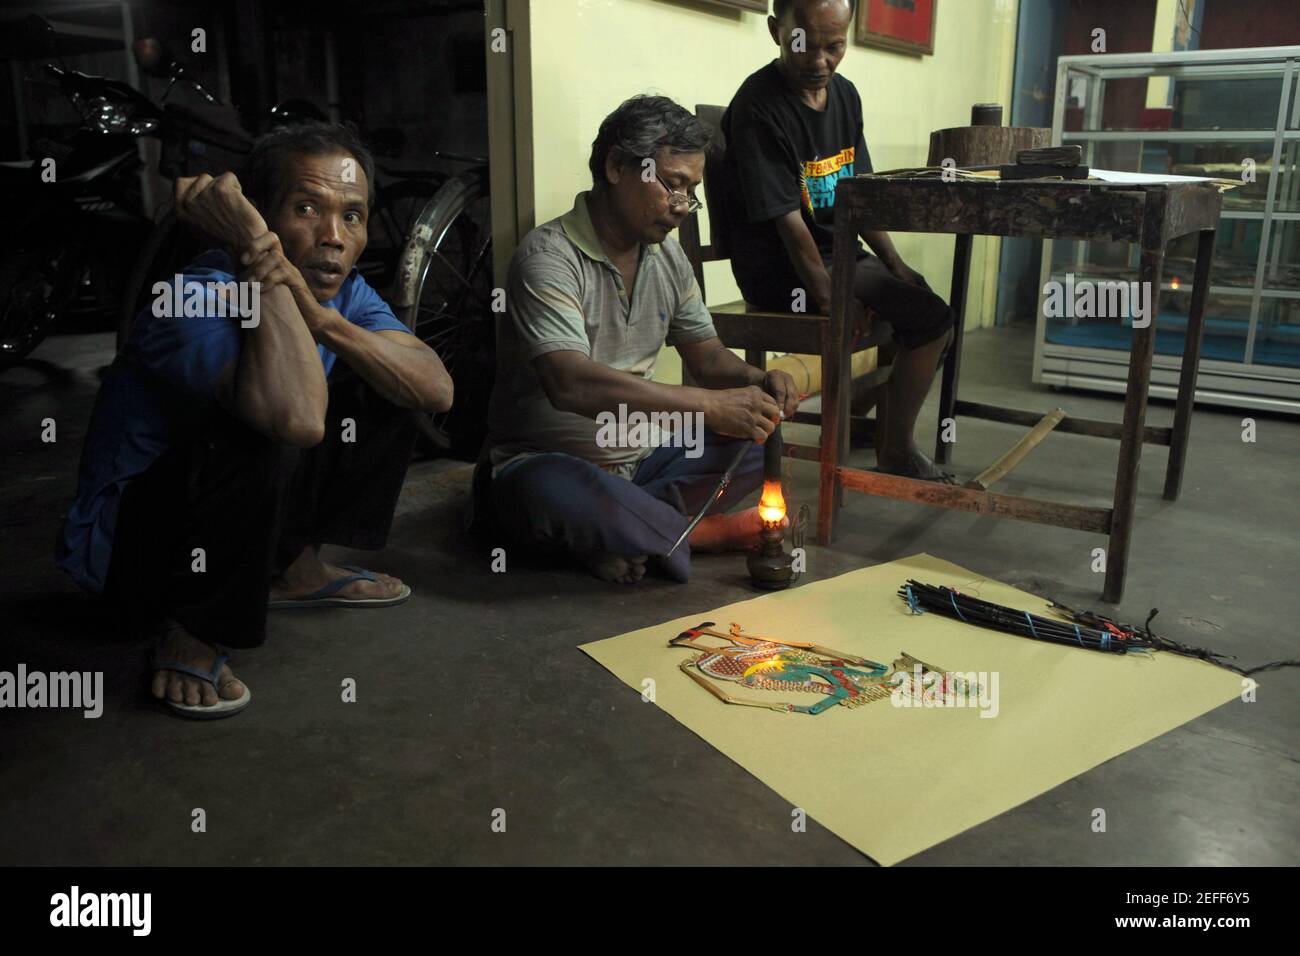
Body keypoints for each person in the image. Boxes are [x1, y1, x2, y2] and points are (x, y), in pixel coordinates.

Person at [57, 123, 452, 718]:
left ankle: (294, 569)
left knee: (384, 376)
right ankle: (193, 625)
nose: (333, 237)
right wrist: (256, 253)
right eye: (305, 208)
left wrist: (321, 322)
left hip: (228, 520)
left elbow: (435, 389)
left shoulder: (343, 294)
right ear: (259, 215)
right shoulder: (191, 295)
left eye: (352, 216)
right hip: (133, 555)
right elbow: (293, 419)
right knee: (267, 411)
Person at [474, 95, 800, 584]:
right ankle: (700, 534)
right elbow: (570, 383)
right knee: (548, 491)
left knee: (755, 441)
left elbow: (708, 356)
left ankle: (622, 531)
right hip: (546, 463)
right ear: (616, 166)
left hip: (640, 462)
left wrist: (757, 383)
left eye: (692, 191)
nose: (682, 206)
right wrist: (706, 407)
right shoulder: (547, 257)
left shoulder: (666, 260)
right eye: (672, 184)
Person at [722, 0, 956, 481]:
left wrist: (893, 260)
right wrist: (831, 299)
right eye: (804, 43)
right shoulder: (757, 106)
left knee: (918, 299)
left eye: (835, 46)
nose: (820, 60)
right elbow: (789, 224)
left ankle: (863, 423)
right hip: (782, 273)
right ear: (776, 31)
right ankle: (895, 448)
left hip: (839, 259)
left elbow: (859, 197)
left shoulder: (845, 96)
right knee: (932, 320)